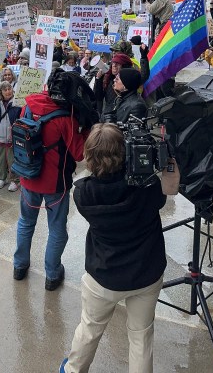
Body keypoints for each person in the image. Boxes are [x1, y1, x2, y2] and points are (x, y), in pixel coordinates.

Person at [62, 124, 168, 373]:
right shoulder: (149, 187)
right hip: (146, 272)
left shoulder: (84, 193)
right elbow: (167, 191)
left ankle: (74, 370)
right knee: (141, 337)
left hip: (104, 275)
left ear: (89, 157)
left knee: (89, 329)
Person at [13, 70, 92, 291]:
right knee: (57, 229)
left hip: (28, 178)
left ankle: (19, 267)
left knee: (25, 223)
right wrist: (85, 131)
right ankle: (52, 273)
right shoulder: (65, 119)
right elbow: (79, 154)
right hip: (55, 184)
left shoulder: (28, 106)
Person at [0, 84, 22, 191]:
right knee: (0, 160)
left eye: (9, 89)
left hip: (13, 137)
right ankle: (2, 178)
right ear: (0, 92)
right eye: (5, 90)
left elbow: (21, 117)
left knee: (13, 161)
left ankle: (14, 180)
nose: (8, 91)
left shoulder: (18, 102)